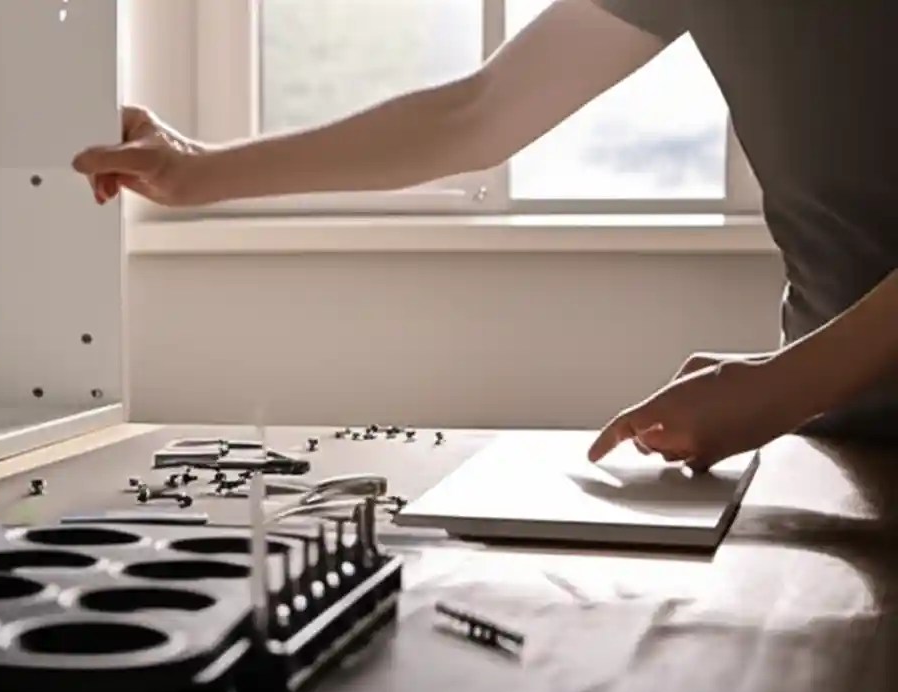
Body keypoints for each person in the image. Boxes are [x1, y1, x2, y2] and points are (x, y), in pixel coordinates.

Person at [72, 0, 898, 470]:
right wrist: (197, 171)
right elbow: (477, 112)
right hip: (832, 439)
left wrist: (783, 386)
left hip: (809, 407)